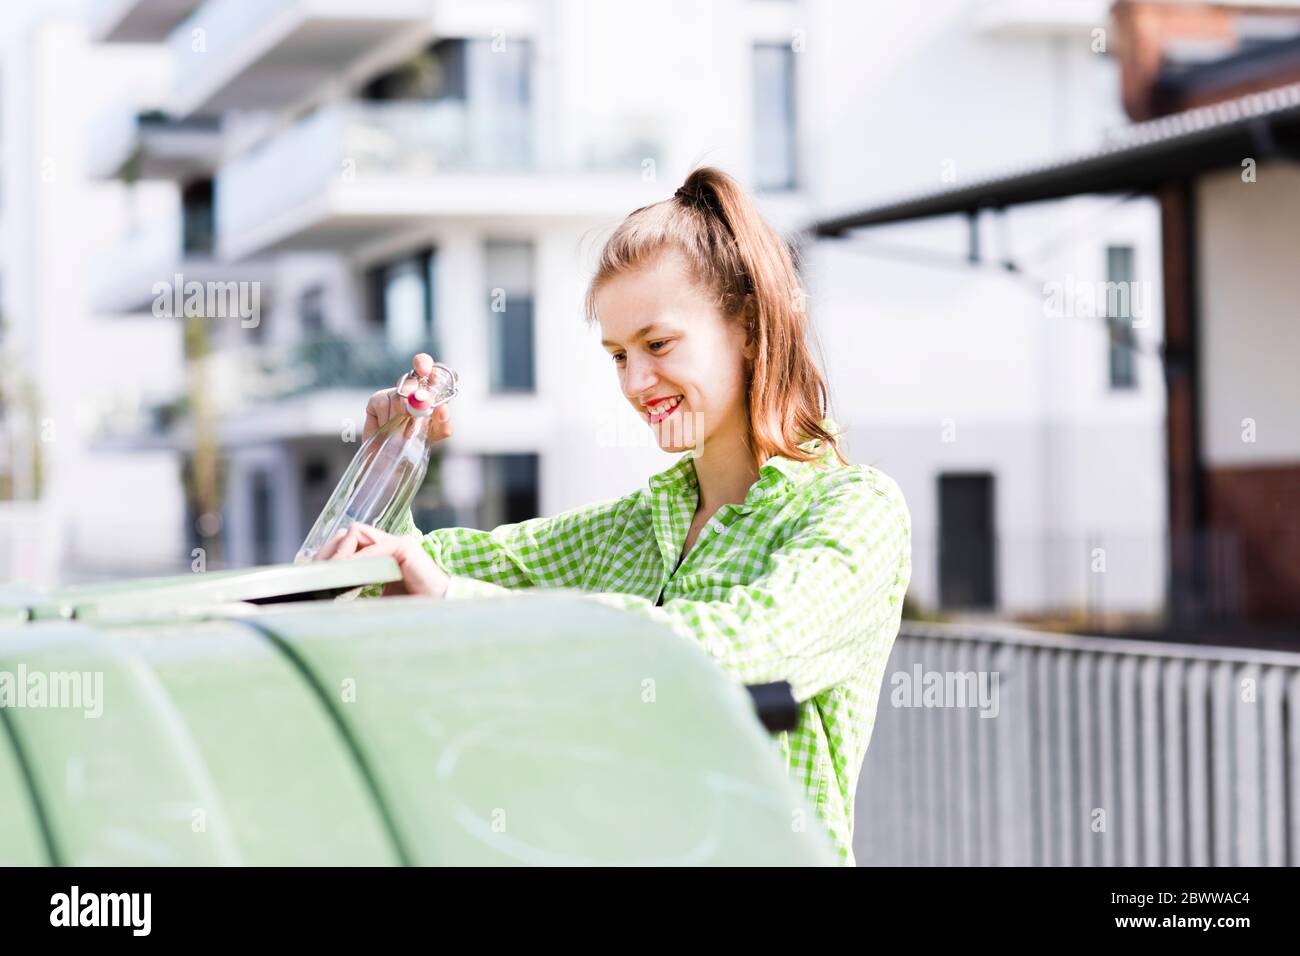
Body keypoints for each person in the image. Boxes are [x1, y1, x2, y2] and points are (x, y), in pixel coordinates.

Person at [316, 166, 912, 865]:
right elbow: (400, 571)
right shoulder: (635, 525)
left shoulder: (855, 509)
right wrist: (392, 458)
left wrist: (456, 600)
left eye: (658, 345)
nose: (635, 382)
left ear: (749, 328)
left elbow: (736, 650)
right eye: (618, 355)